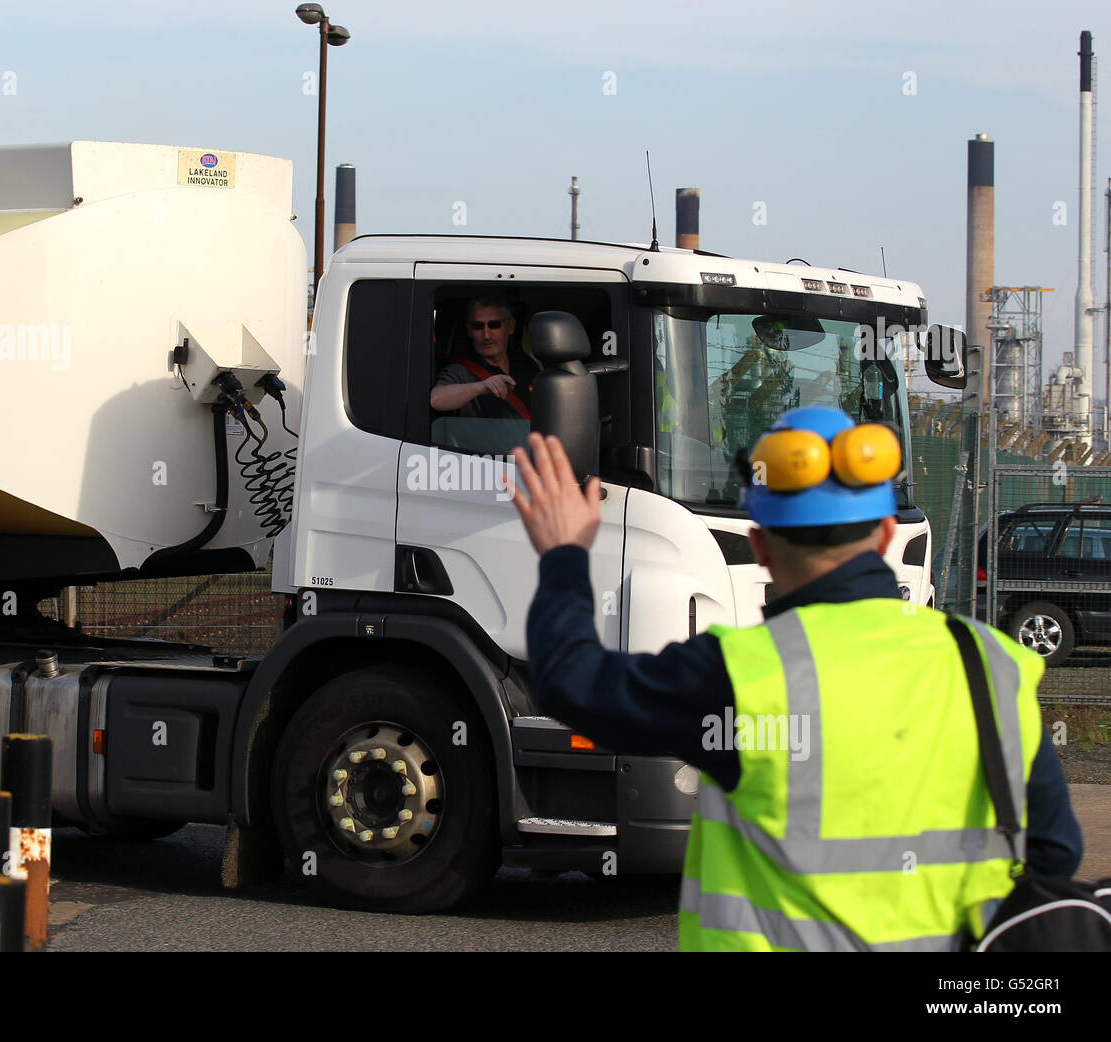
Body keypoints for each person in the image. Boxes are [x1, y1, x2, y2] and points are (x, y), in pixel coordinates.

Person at [507, 406, 1083, 952]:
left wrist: (563, 554)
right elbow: (1056, 852)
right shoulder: (989, 664)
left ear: (758, 545)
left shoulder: (740, 673)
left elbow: (573, 682)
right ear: (886, 534)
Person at [430, 295, 538, 420]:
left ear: (511, 326)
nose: (486, 335)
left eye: (494, 325)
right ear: (469, 330)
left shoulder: (527, 366)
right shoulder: (460, 371)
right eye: (478, 326)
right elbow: (436, 399)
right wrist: (481, 386)